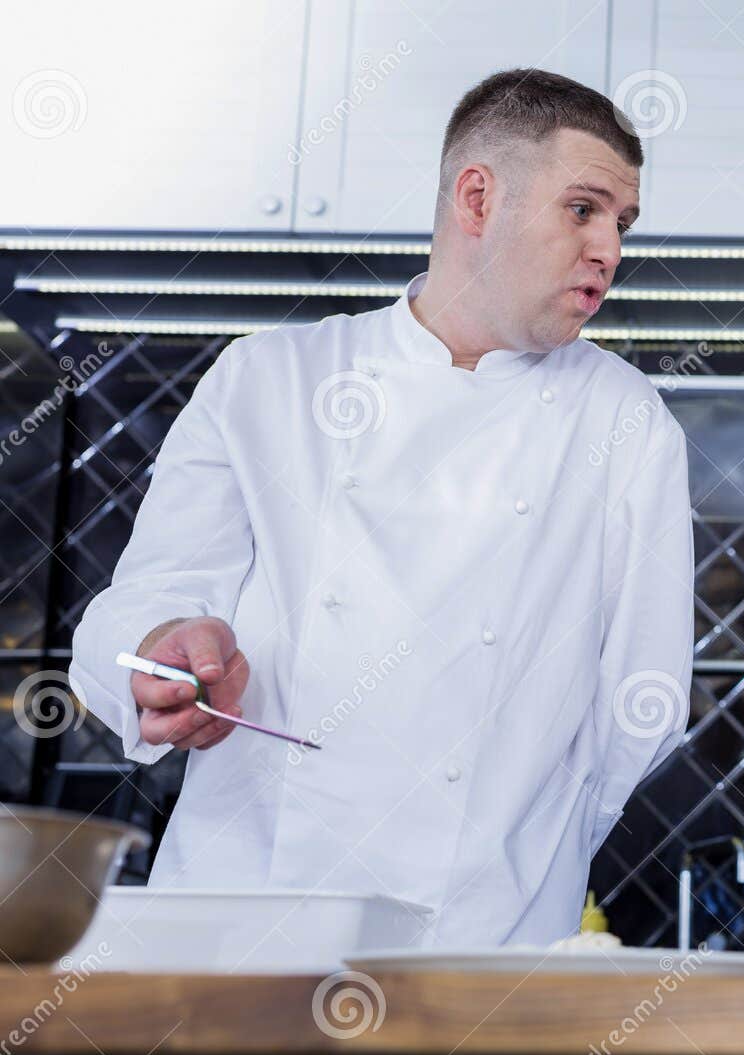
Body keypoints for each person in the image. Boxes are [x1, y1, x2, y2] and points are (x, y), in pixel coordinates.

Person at [69, 69, 694, 948]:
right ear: (478, 198)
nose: (610, 251)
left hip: (480, 940)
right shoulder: (272, 378)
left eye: (622, 225)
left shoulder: (627, 423)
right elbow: (142, 604)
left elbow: (646, 699)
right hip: (241, 918)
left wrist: (527, 854)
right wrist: (159, 656)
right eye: (584, 210)